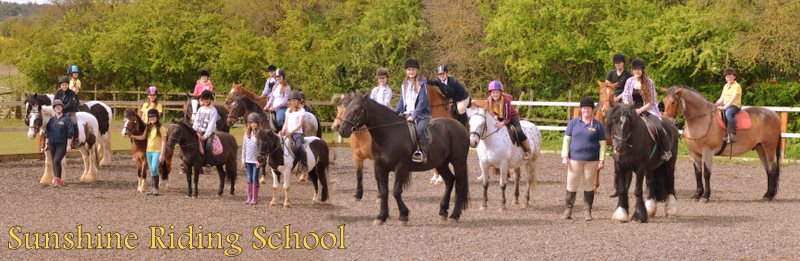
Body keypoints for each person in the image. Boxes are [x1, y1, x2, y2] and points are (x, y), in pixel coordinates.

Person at [560, 97, 606, 221]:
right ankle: (568, 210)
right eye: (584, 108)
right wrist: (565, 155)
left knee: (589, 185)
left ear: (592, 110)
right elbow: (566, 140)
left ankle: (587, 211)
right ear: (581, 109)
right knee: (571, 184)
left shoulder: (598, 126)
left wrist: (601, 160)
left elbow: (602, 144)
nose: (586, 110)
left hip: (592, 160)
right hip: (574, 159)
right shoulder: (573, 123)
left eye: (589, 108)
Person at [621, 58, 671, 161]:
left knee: (658, 126)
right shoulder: (629, 81)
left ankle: (665, 151)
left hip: (647, 110)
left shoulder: (649, 82)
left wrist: (639, 110)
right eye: (635, 69)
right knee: (620, 124)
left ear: (642, 70)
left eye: (639, 69)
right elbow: (625, 97)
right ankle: (619, 148)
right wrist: (630, 107)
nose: (637, 71)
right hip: (631, 109)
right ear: (632, 70)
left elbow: (651, 101)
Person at [485, 80, 533, 160]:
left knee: (519, 131)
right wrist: (494, 116)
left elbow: (508, 118)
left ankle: (528, 150)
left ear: (500, 92)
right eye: (493, 92)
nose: (495, 94)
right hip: (499, 118)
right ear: (490, 93)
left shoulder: (506, 101)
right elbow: (489, 111)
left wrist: (501, 124)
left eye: (497, 92)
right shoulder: (489, 100)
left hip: (511, 117)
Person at [395, 58, 431, 163]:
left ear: (417, 71)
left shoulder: (422, 84)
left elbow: (422, 102)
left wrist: (413, 116)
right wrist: (395, 113)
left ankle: (424, 152)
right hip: (406, 113)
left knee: (419, 130)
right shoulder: (404, 84)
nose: (411, 72)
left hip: (421, 115)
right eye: (409, 70)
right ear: (406, 71)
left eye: (413, 70)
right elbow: (402, 101)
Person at [130, 109, 167, 195]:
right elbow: (143, 137)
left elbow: (164, 142)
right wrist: (133, 136)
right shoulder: (148, 127)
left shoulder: (162, 128)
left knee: (154, 168)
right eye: (150, 117)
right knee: (151, 169)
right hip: (148, 151)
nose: (152, 118)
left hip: (157, 151)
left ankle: (156, 188)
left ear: (157, 117)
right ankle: (154, 188)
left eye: (153, 116)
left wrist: (162, 154)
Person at [43, 99, 73, 188]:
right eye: (56, 107)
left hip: (62, 144)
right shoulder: (51, 120)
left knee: (57, 160)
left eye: (59, 107)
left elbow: (70, 133)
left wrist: (68, 145)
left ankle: (57, 179)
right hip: (52, 143)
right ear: (54, 109)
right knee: (54, 161)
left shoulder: (66, 119)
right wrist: (46, 144)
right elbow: (48, 133)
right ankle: (56, 179)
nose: (58, 108)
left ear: (62, 108)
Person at [281, 91, 306, 173]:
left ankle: (304, 164)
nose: (293, 102)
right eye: (291, 100)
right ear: (289, 101)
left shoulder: (301, 110)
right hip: (287, 133)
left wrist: (291, 132)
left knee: (299, 147)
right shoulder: (288, 110)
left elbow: (300, 124)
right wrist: (282, 130)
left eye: (295, 100)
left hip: (297, 133)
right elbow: (286, 123)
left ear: (298, 101)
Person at [53, 75, 80, 149]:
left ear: (68, 85)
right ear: (60, 85)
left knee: (74, 122)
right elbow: (55, 101)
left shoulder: (72, 93)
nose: (64, 86)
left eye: (65, 85)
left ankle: (76, 139)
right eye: (62, 85)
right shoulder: (58, 93)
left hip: (70, 111)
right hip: (59, 111)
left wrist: (62, 109)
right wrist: (57, 109)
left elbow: (70, 103)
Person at [715, 68, 742, 143]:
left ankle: (732, 134)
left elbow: (732, 100)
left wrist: (724, 107)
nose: (728, 78)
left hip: (734, 105)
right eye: (727, 77)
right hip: (726, 105)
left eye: (730, 76)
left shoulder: (737, 86)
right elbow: (721, 98)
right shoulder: (725, 86)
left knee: (728, 113)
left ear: (734, 77)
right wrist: (715, 105)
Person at [192, 90, 218, 165]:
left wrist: (206, 135)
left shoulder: (213, 110)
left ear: (210, 99)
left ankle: (209, 162)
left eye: (207, 99)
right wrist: (194, 130)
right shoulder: (200, 109)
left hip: (209, 132)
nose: (205, 101)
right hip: (199, 130)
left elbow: (211, 124)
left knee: (208, 145)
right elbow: (196, 121)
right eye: (204, 99)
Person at [242, 112, 262, 205]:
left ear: (257, 123)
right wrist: (243, 160)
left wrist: (259, 161)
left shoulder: (260, 134)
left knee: (255, 178)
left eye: (255, 122)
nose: (253, 124)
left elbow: (261, 149)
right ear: (249, 124)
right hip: (248, 160)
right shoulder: (247, 134)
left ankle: (254, 198)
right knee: (249, 178)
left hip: (256, 161)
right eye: (251, 122)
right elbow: (244, 148)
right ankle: (249, 197)